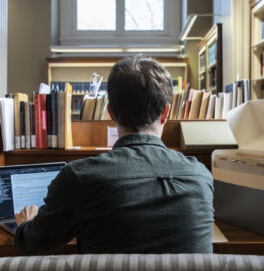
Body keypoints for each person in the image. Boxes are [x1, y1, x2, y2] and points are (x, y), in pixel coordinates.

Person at [15, 55, 214, 254]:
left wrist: (27, 223)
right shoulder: (201, 176)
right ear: (166, 113)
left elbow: (29, 245)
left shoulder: (80, 178)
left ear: (110, 112)